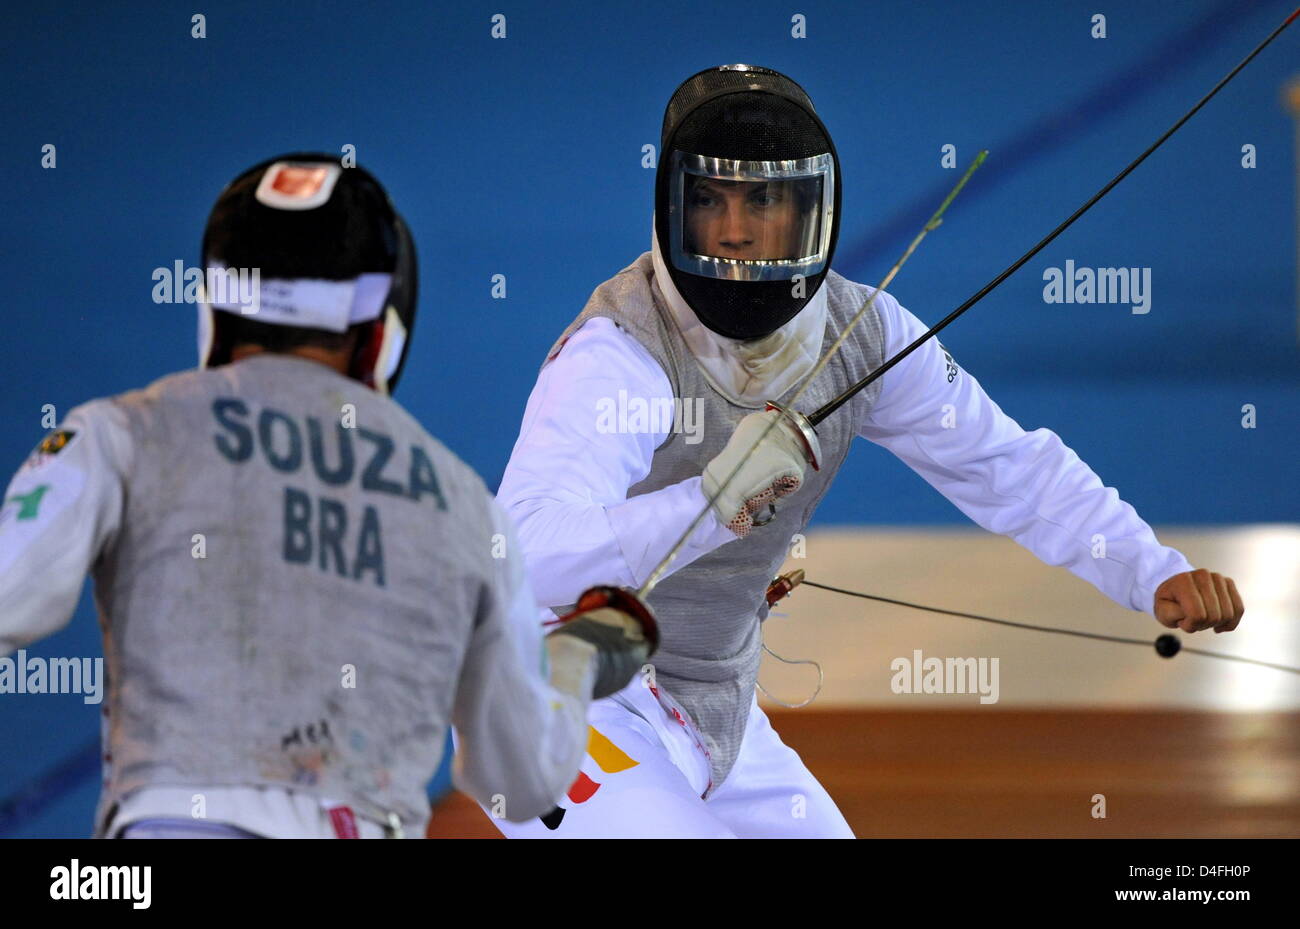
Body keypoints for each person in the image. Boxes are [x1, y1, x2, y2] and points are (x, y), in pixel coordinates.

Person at [488, 65, 1245, 838]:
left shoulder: (862, 336)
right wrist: (711, 502)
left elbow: (1007, 466)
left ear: (812, 210)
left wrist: (1151, 569)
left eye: (766, 200)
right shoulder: (620, 353)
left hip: (714, 707)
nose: (738, 231)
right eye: (710, 199)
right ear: (673, 207)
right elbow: (522, 556)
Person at [0, 154, 655, 839]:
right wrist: (578, 658)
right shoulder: (462, 505)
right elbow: (522, 782)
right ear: (380, 334)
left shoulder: (119, 433)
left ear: (217, 312)